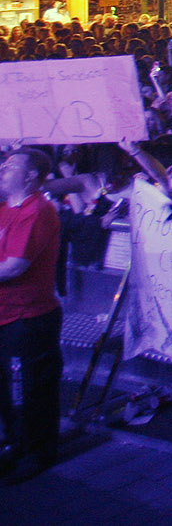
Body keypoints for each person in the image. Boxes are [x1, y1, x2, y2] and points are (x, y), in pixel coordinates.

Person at [0, 147, 61, 484]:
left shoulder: (37, 210)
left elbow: (13, 266)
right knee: (6, 390)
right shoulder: (3, 207)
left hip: (29, 316)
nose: (3, 169)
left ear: (31, 176)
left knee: (33, 388)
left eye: (11, 166)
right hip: (4, 314)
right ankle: (14, 443)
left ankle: (38, 452)